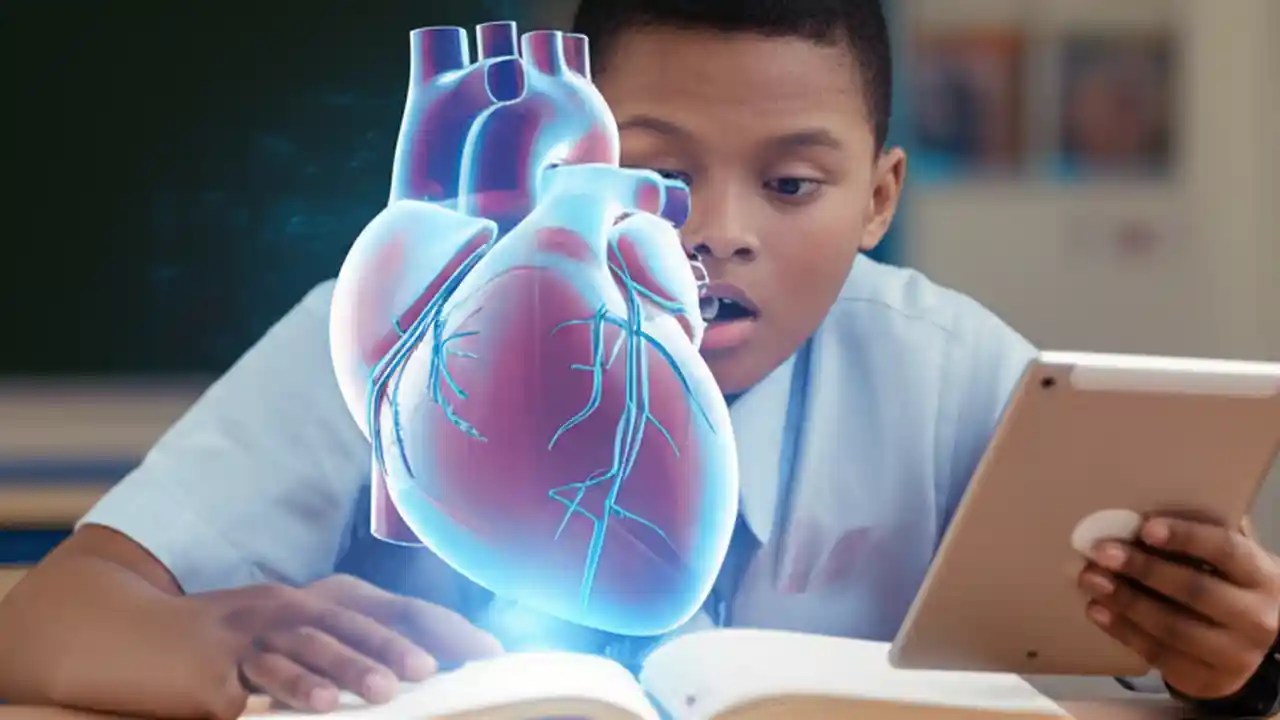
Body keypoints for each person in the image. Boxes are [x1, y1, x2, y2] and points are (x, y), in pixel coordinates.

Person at [2, 1, 1277, 718]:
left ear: (880, 198)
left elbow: (1154, 677)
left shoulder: (951, 378)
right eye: (657, 176)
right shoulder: (395, 327)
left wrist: (1229, 665)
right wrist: (215, 643)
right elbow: (44, 627)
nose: (716, 231)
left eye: (791, 183)